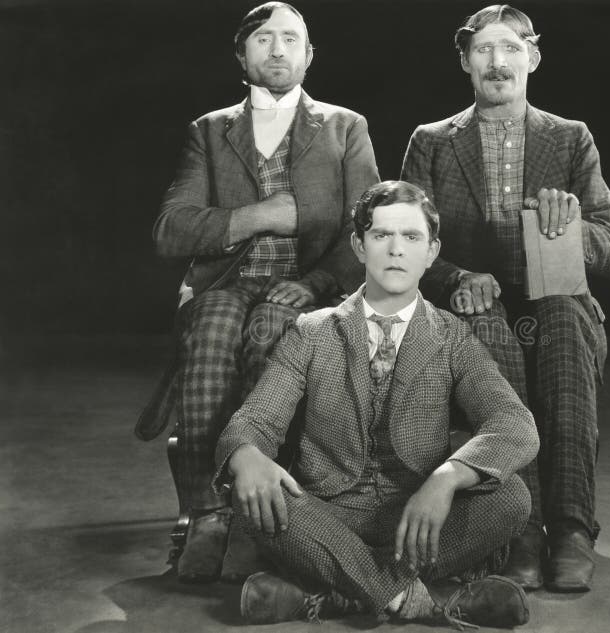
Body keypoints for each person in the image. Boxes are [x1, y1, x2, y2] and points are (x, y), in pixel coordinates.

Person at [213, 181, 538, 627]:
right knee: (255, 497)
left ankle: (337, 594)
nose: (396, 250)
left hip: (416, 515)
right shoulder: (311, 332)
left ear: (431, 251)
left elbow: (513, 423)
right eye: (382, 235)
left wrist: (446, 479)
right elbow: (255, 419)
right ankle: (421, 601)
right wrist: (247, 455)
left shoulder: (451, 336)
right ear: (359, 246)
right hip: (327, 513)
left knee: (512, 498)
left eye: (411, 237)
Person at [401, 4, 610, 592]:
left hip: (554, 305)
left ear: (533, 56)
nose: (497, 62)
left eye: (509, 48)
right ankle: (521, 529)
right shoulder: (431, 142)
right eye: (483, 50)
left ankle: (572, 526)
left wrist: (572, 229)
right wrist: (454, 278)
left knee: (562, 320)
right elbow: (407, 243)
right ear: (464, 62)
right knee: (487, 326)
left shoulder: (571, 138)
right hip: (474, 307)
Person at [150, 1, 379, 582]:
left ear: (308, 54)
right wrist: (259, 216)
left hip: (307, 287)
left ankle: (258, 517)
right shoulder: (210, 130)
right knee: (208, 339)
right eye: (263, 39)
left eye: (290, 38)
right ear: (241, 53)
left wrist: (315, 284)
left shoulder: (343, 127)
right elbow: (172, 228)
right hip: (228, 282)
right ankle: (209, 514)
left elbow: (367, 229)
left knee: (269, 339)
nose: (277, 49)